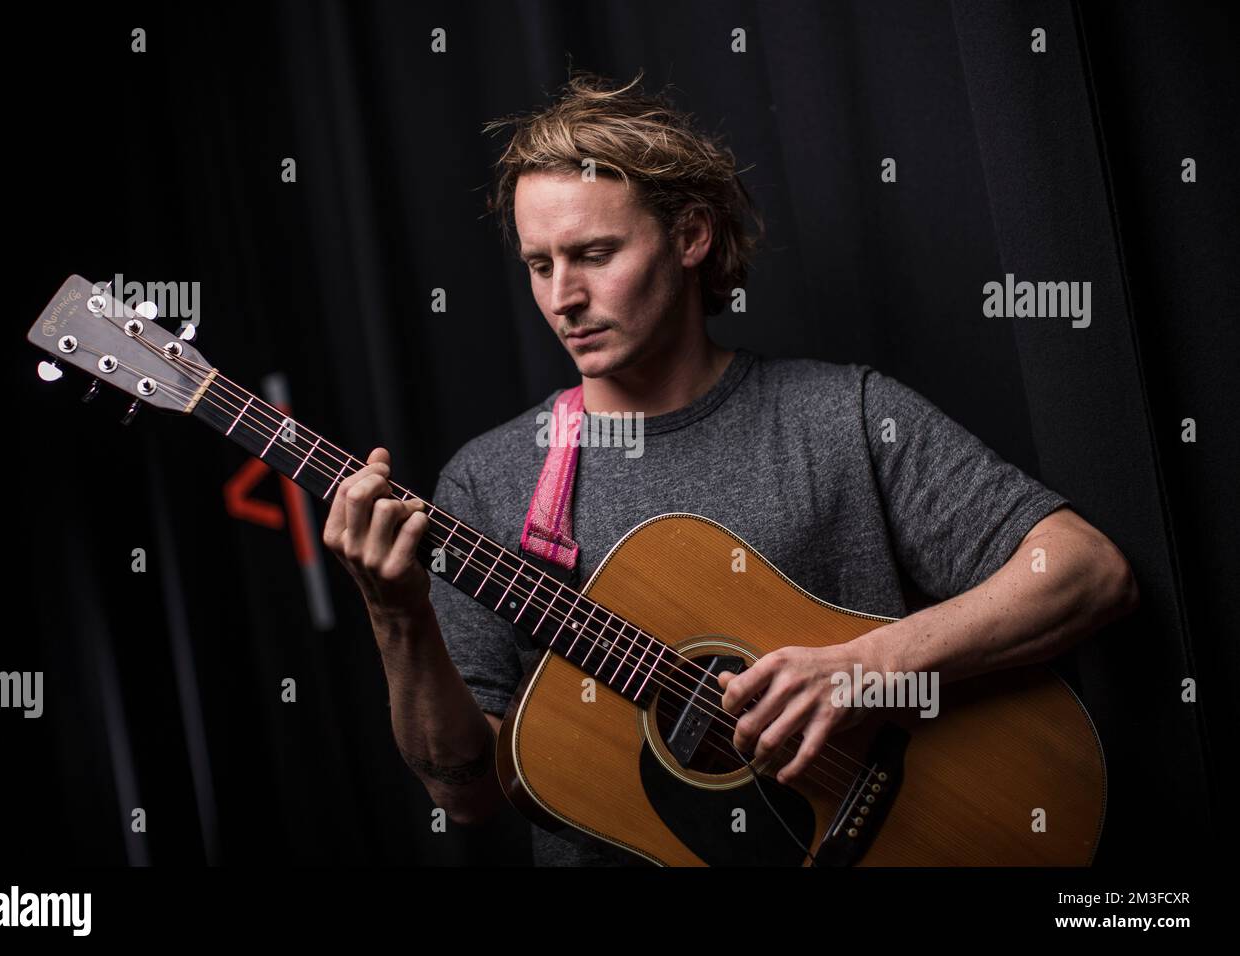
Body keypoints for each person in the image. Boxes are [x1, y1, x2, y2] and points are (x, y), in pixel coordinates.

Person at [321, 73, 1139, 866]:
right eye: (540, 265)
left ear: (691, 236)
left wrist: (868, 669)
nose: (563, 296)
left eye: (595, 253)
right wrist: (396, 617)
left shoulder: (842, 416)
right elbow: (464, 795)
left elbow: (1087, 572)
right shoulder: (487, 480)